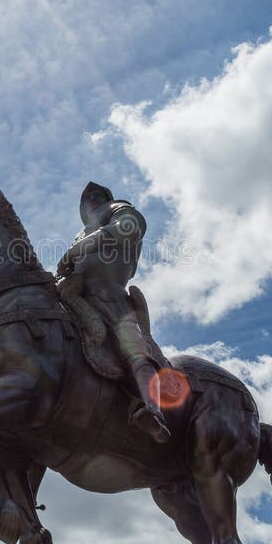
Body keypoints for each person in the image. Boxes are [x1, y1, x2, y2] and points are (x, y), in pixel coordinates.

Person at [56, 182, 170, 443]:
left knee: (134, 349)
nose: (91, 202)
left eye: (96, 196)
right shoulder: (81, 233)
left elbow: (128, 227)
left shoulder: (120, 210)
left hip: (110, 295)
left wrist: (76, 250)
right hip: (73, 295)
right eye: (86, 201)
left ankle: (154, 411)